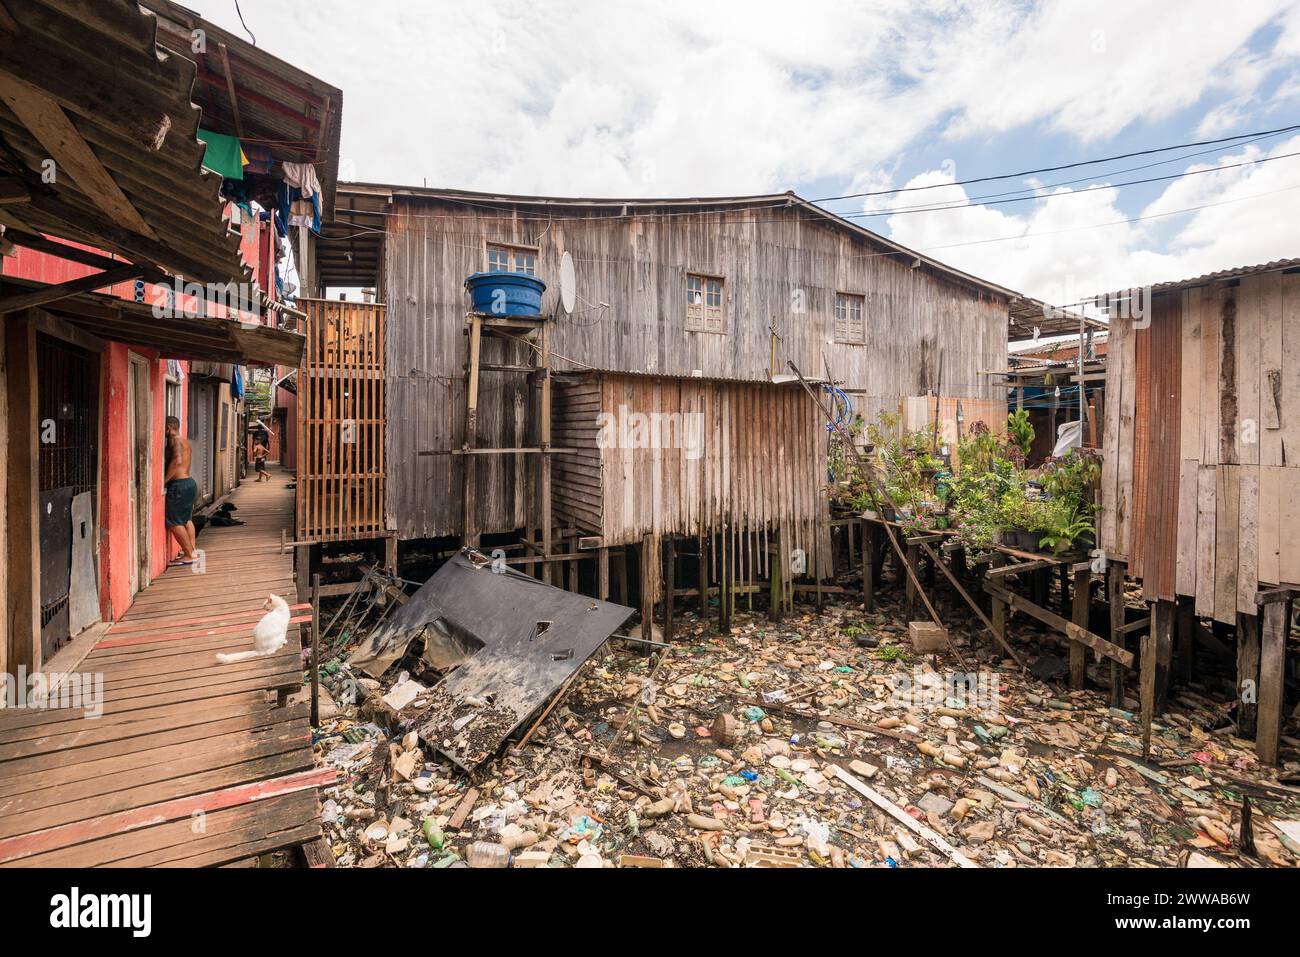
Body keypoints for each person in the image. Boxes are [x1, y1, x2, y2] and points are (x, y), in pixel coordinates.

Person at [163, 416, 199, 566]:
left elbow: (177, 461)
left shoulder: (174, 440)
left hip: (179, 485)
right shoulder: (185, 441)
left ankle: (189, 555)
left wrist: (163, 481)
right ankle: (192, 552)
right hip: (189, 483)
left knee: (173, 521)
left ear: (169, 428)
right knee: (186, 520)